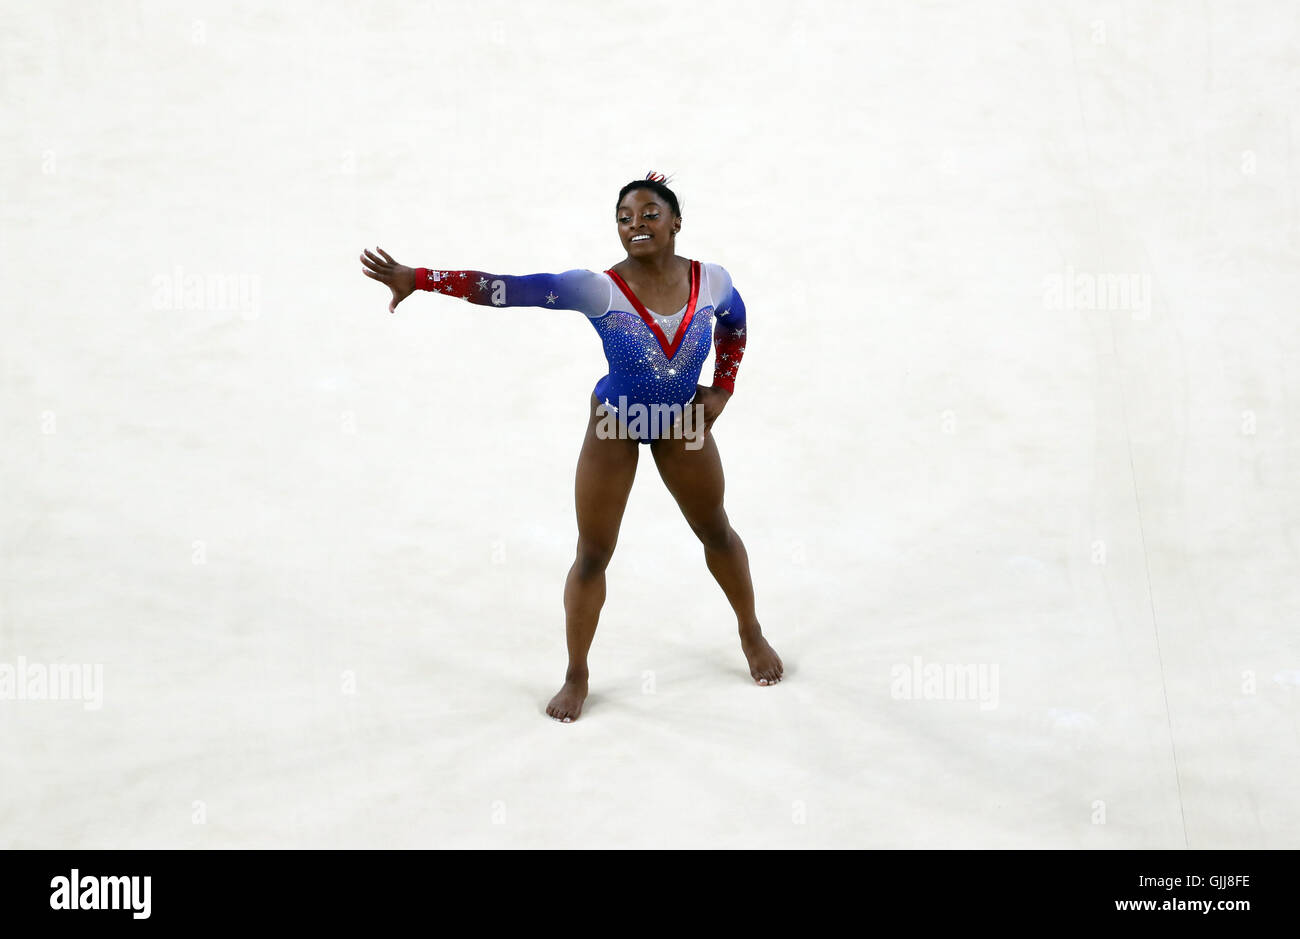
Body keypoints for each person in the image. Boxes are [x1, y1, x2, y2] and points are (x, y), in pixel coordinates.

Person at [360, 172, 783, 722]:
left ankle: (751, 632)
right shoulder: (599, 289)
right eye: (625, 218)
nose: (637, 225)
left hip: (681, 421)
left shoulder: (714, 282)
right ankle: (577, 672)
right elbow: (512, 289)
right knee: (593, 553)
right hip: (617, 422)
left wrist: (722, 390)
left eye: (650, 213)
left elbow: (737, 326)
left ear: (676, 222)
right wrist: (419, 277)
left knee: (716, 530)